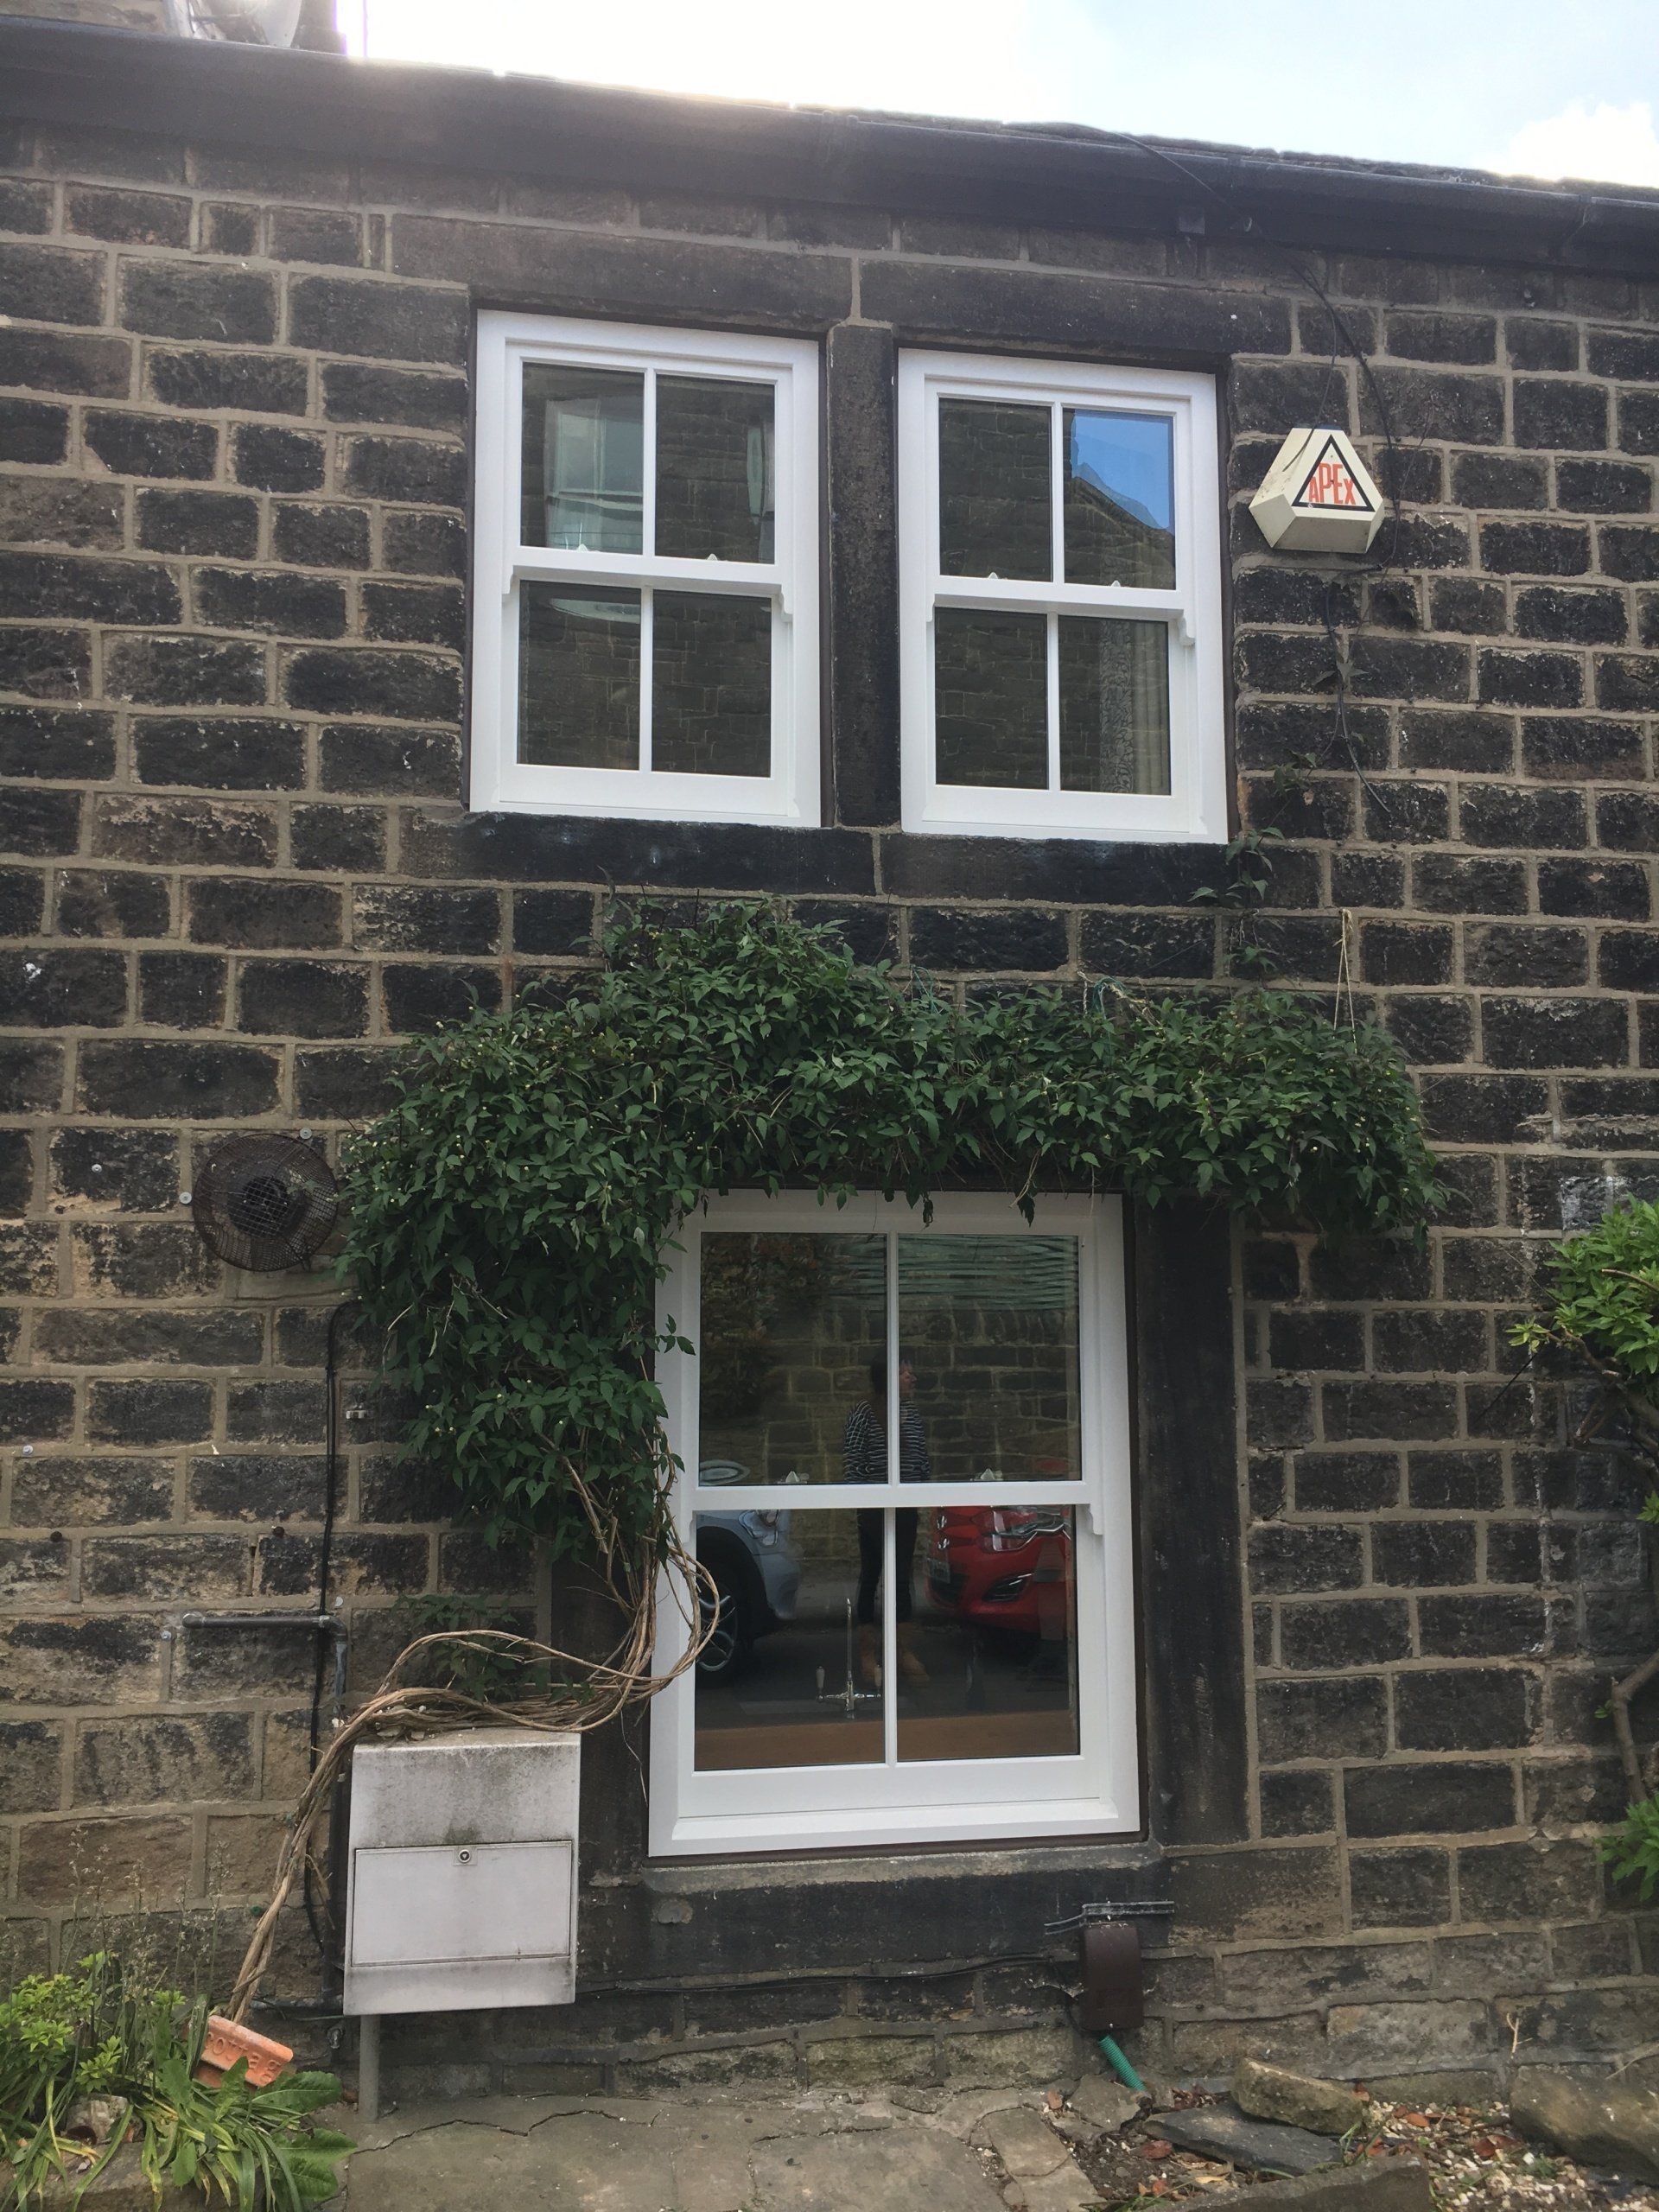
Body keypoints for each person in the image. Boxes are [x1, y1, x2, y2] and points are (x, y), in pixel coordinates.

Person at [842, 1357, 930, 1687]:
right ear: (887, 1378)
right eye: (905, 1372)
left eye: (911, 1371)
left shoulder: (913, 1416)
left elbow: (921, 1461)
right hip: (874, 1510)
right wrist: (865, 1502)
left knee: (902, 1577)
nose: (912, 1377)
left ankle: (902, 1651)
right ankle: (868, 1654)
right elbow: (854, 1462)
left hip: (906, 1510)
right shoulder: (864, 1414)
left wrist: (919, 1495)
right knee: (872, 1576)